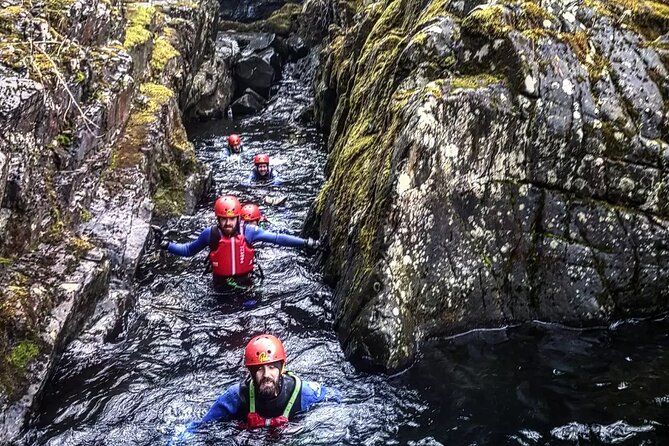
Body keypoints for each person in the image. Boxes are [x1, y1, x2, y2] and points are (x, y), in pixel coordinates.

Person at [153, 195, 319, 286]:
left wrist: (305, 242)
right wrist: (166, 245)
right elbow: (188, 250)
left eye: (231, 219)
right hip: (220, 287)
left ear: (238, 218)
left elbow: (277, 239)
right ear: (218, 219)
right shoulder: (210, 234)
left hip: (246, 283)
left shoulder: (249, 231)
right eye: (224, 219)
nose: (228, 223)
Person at [188, 334, 334, 430]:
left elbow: (336, 401)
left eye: (272, 367)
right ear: (250, 373)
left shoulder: (303, 393)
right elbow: (201, 427)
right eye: (259, 369)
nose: (266, 375)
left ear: (282, 368)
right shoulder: (236, 396)